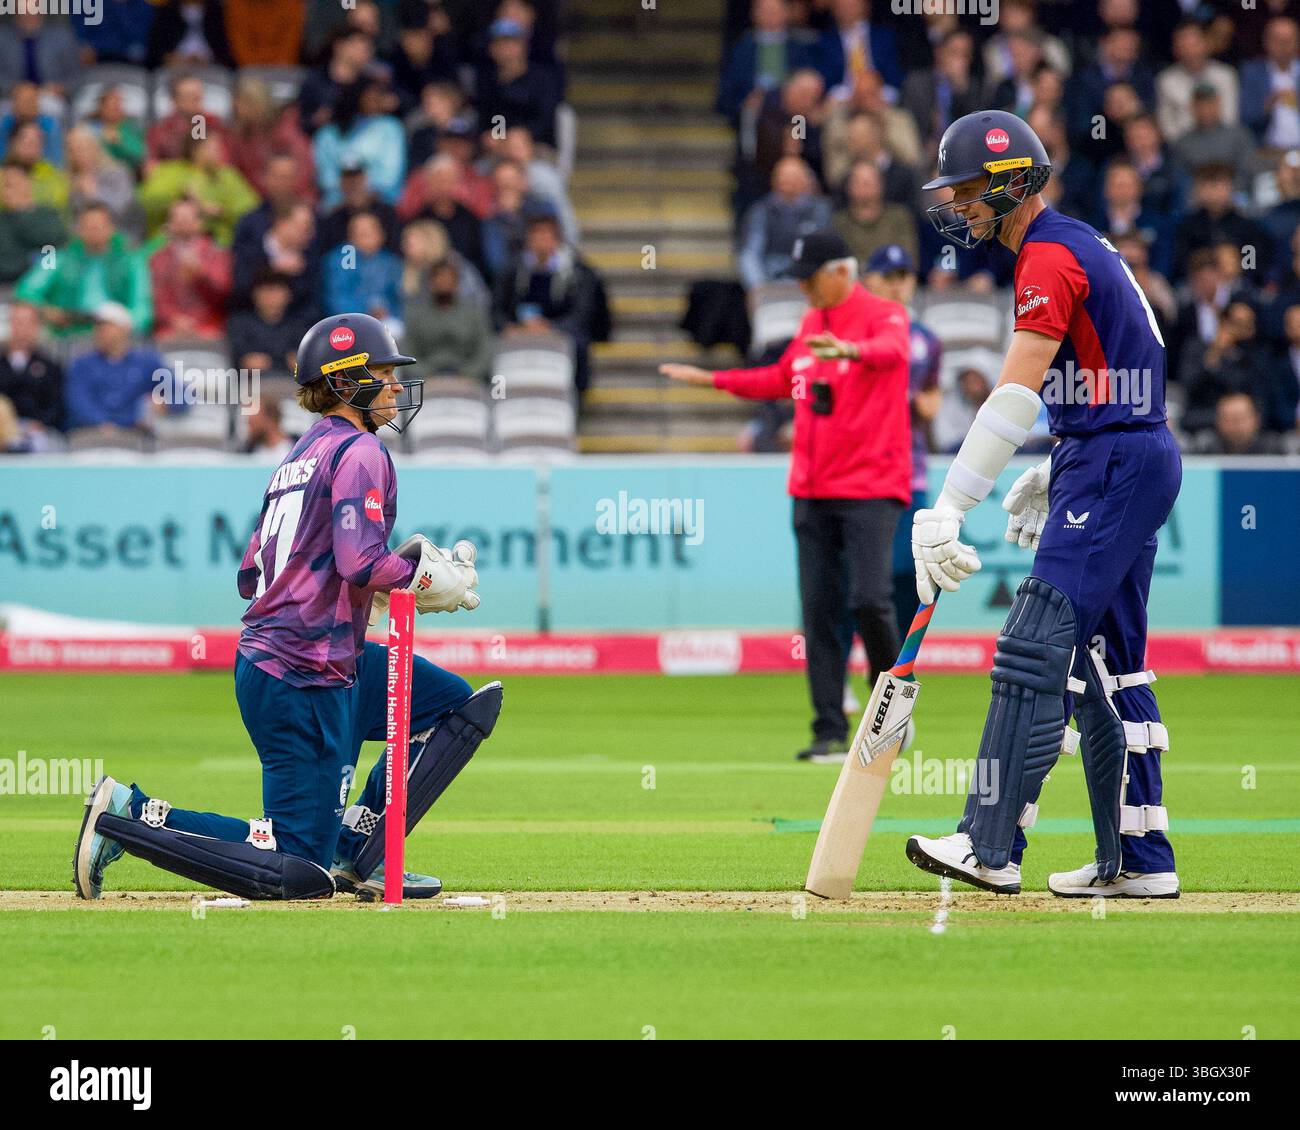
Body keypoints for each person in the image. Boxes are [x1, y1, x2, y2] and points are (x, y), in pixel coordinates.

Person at [74, 313, 502, 904]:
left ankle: (359, 848)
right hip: (301, 672)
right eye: (385, 374)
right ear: (348, 381)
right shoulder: (359, 452)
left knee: (458, 705)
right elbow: (359, 561)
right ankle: (129, 814)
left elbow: (252, 572)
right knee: (298, 868)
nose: (399, 387)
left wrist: (356, 588)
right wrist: (420, 578)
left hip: (314, 658)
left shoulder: (301, 453)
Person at [907, 110, 1181, 900]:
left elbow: (1018, 389)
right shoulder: (1076, 242)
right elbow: (1110, 369)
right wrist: (1066, 462)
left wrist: (953, 502)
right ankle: (1139, 859)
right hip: (1122, 450)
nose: (957, 207)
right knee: (1108, 664)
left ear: (1009, 182)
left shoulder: (1048, 257)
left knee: (1037, 642)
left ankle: (989, 844)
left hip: (1113, 458)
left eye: (966, 191)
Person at [661, 231, 911, 760]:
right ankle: (827, 731)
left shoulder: (883, 314)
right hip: (812, 489)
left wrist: (851, 350)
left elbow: (892, 353)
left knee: (870, 600)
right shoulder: (809, 323)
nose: (801, 288)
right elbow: (783, 379)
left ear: (841, 272)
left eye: (808, 277)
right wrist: (714, 381)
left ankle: (894, 712)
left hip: (870, 486)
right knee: (819, 611)